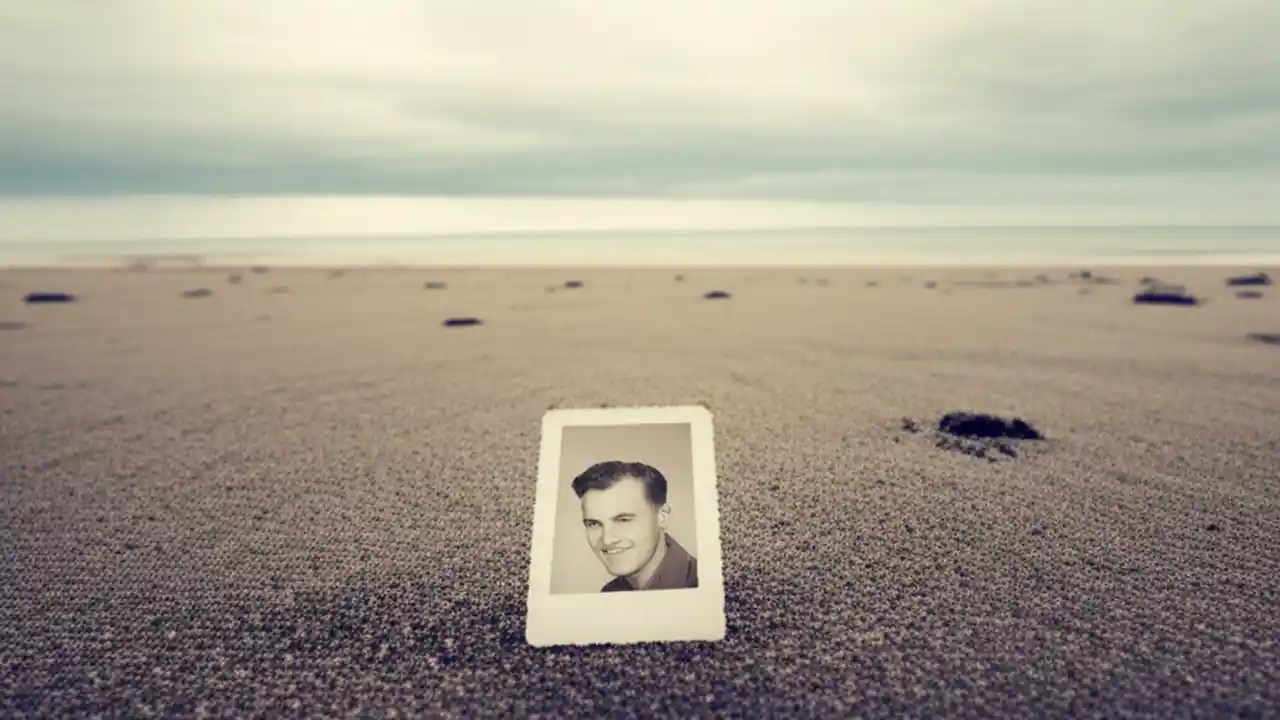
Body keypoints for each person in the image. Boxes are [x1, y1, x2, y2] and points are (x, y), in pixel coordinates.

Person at [571, 461, 698, 592]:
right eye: (594, 524)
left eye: (623, 520)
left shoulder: (704, 585)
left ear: (662, 517)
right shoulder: (611, 592)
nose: (607, 540)